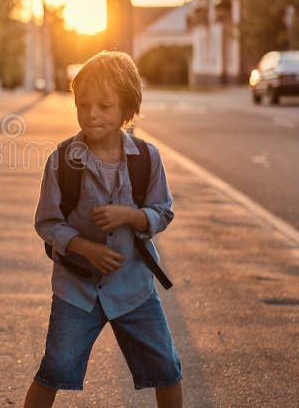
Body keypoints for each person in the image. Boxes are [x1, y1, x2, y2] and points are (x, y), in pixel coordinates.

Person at [24, 51, 183, 408]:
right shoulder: (62, 161)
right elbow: (47, 223)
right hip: (76, 289)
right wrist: (85, 248)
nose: (91, 114)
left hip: (134, 287)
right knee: (54, 368)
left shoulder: (147, 158)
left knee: (166, 368)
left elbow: (163, 212)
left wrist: (130, 215)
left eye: (104, 106)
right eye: (83, 105)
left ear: (127, 108)